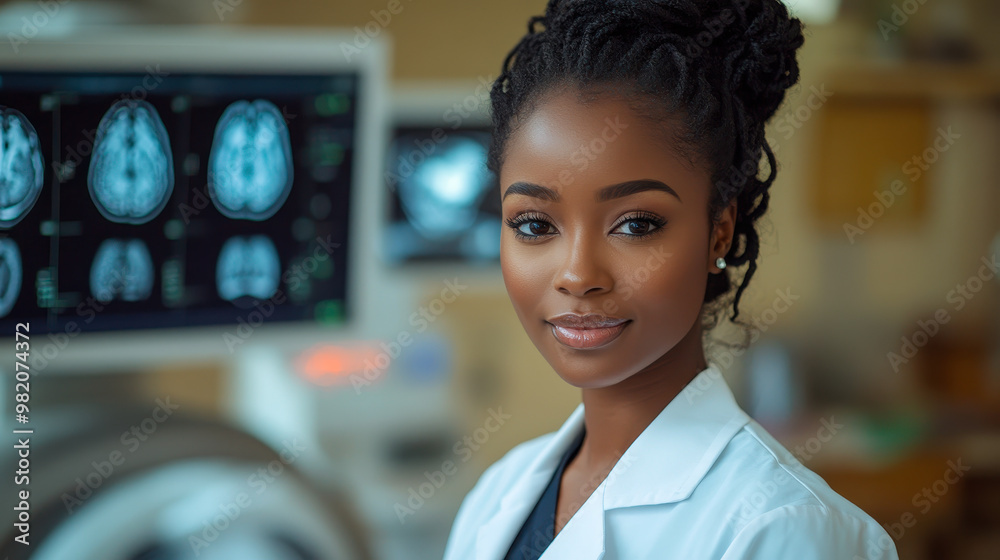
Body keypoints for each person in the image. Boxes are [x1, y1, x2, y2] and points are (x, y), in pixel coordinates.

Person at [443, 0, 899, 558]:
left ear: (718, 233)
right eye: (535, 224)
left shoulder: (785, 529)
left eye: (635, 224)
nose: (578, 274)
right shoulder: (497, 496)